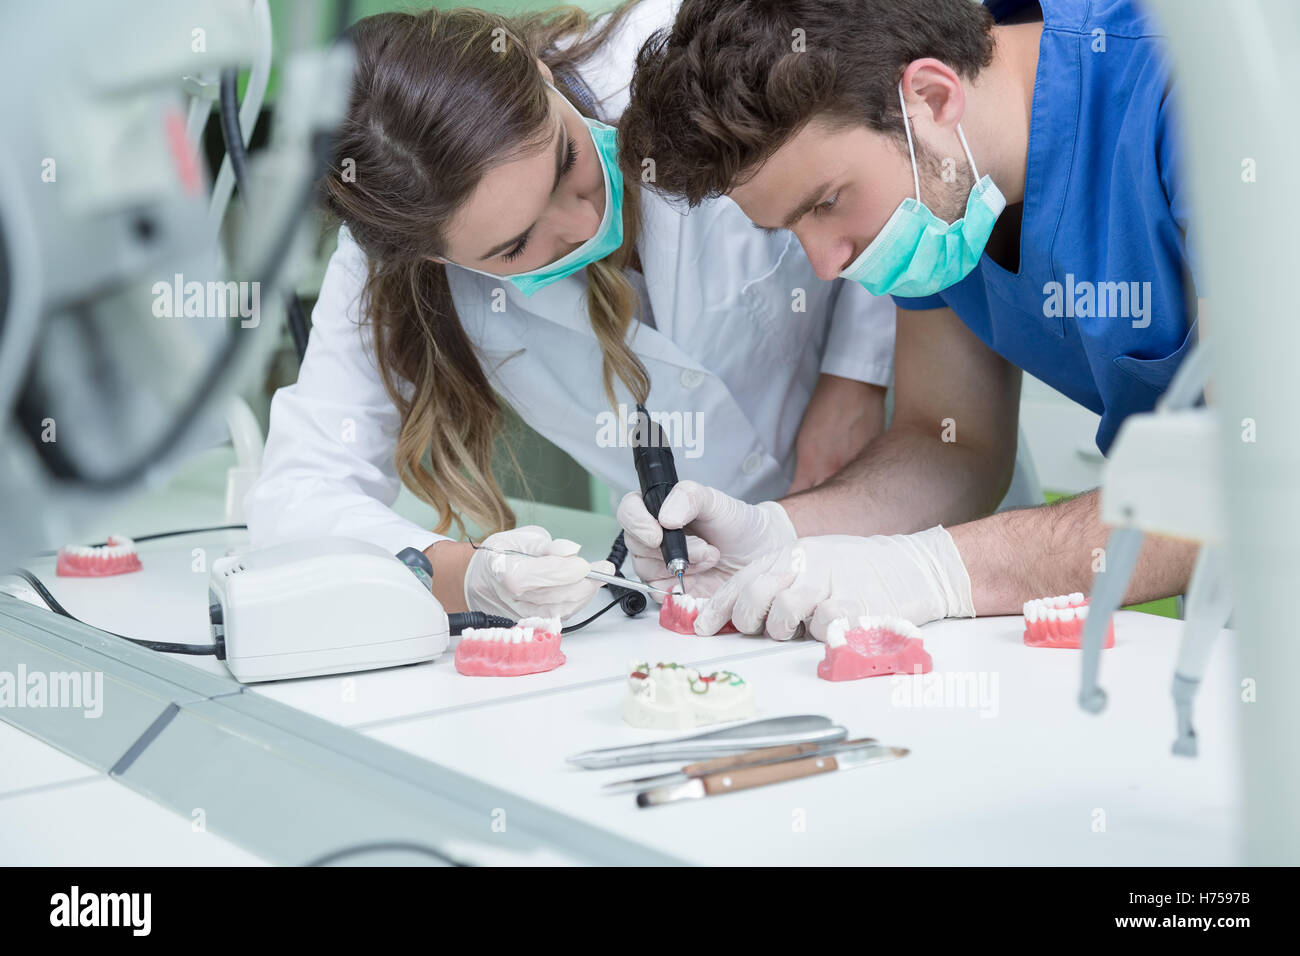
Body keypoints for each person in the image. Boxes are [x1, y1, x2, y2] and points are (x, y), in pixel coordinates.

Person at [244, 0, 897, 622]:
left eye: (566, 161)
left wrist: (857, 370)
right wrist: (467, 574)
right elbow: (298, 496)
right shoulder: (389, 260)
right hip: (726, 588)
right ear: (436, 260)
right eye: (516, 245)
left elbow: (896, 118)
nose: (583, 221)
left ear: (540, 73)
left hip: (911, 481)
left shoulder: (685, 46)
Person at [616, 0, 1202, 638]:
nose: (827, 264)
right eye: (791, 229)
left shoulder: (1195, 91)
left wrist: (935, 570)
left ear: (929, 94)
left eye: (828, 203)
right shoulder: (949, 194)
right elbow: (951, 445)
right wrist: (777, 535)